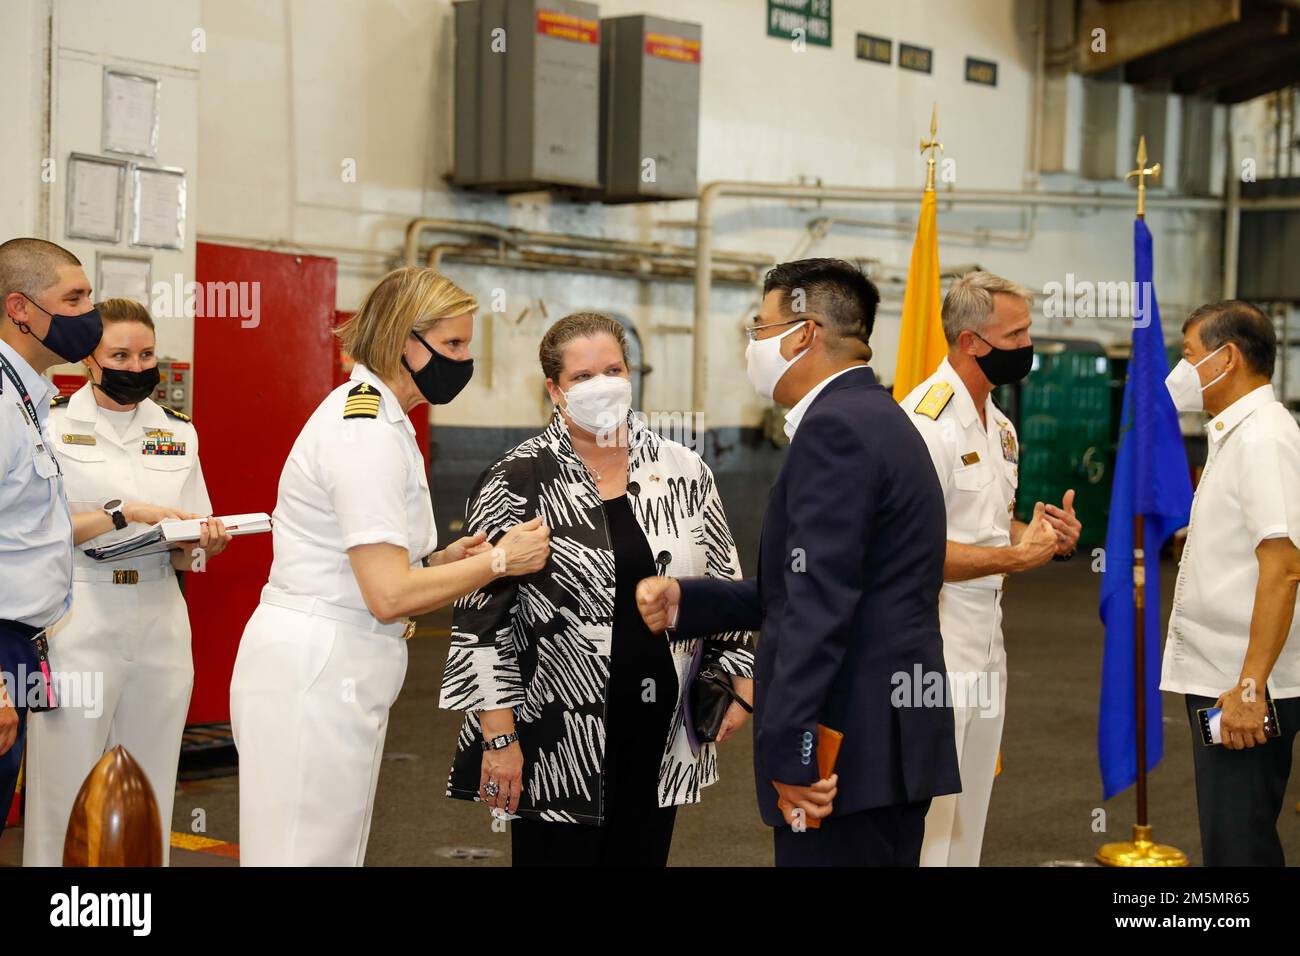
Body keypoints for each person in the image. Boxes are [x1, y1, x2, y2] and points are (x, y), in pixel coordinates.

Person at [636, 258, 960, 866]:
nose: (753, 344)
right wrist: (691, 599)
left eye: (760, 328)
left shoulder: (836, 431)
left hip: (844, 747)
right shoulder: (879, 417)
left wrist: (794, 752)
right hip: (886, 739)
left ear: (804, 333)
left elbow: (818, 610)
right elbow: (812, 583)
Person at [230, 267, 549, 866]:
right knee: (301, 856)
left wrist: (445, 561)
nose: (462, 359)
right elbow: (388, 595)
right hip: (318, 661)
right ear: (406, 340)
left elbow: (384, 565)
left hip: (337, 658)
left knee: (328, 852)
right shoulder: (366, 432)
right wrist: (502, 561)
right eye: (452, 345)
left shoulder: (385, 420)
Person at [440, 312, 755, 867]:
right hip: (553, 736)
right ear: (554, 389)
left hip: (660, 727)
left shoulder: (682, 470)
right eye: (584, 376)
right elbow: (479, 626)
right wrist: (498, 740)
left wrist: (739, 680)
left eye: (613, 369)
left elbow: (723, 585)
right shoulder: (517, 479)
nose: (602, 384)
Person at [23, 297, 231, 867]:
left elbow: (191, 538)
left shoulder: (178, 432)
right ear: (87, 358)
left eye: (145, 355)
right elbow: (33, 530)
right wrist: (124, 512)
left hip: (161, 612)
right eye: (119, 354)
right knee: (64, 784)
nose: (136, 367)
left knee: (151, 780)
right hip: (78, 611)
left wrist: (205, 541)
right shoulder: (49, 424)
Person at [902, 271, 1081, 867]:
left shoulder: (999, 425)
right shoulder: (925, 422)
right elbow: (913, 549)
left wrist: (1042, 536)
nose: (1029, 344)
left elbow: (985, 527)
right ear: (973, 341)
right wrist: (1014, 556)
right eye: (1018, 333)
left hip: (989, 641)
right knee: (928, 815)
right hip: (933, 644)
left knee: (971, 809)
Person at [1159, 300, 1300, 866]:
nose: (1182, 368)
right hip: (1232, 675)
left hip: (1243, 684)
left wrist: (1248, 689)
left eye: (1190, 355)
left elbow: (1285, 566)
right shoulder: (1240, 432)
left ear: (1229, 357)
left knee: (1239, 848)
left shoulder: (1263, 437)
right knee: (1233, 839)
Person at [0, 238, 102, 842]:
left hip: (22, 643)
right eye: (74, 298)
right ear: (20, 308)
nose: (89, 311)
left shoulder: (28, 396)